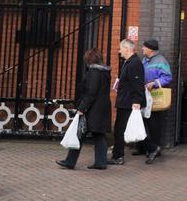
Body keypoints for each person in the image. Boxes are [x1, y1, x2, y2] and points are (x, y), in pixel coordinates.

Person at [59, 55, 114, 170]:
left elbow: (91, 92)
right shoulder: (104, 72)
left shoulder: (94, 72)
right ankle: (100, 162)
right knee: (97, 135)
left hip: (93, 109)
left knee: (80, 133)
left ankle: (70, 161)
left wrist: (81, 108)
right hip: (101, 109)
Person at [111, 38, 146, 166]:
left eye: (121, 48)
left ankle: (118, 156)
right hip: (125, 100)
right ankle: (117, 154)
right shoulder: (128, 62)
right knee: (120, 129)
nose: (119, 51)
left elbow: (138, 84)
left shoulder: (134, 63)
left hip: (128, 102)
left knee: (120, 129)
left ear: (127, 48)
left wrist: (137, 100)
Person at [141, 37, 173, 162]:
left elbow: (167, 77)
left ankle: (154, 149)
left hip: (155, 97)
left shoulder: (161, 61)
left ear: (150, 49)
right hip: (146, 96)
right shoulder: (145, 59)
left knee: (154, 124)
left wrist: (154, 83)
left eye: (144, 47)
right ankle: (148, 148)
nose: (142, 48)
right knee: (146, 122)